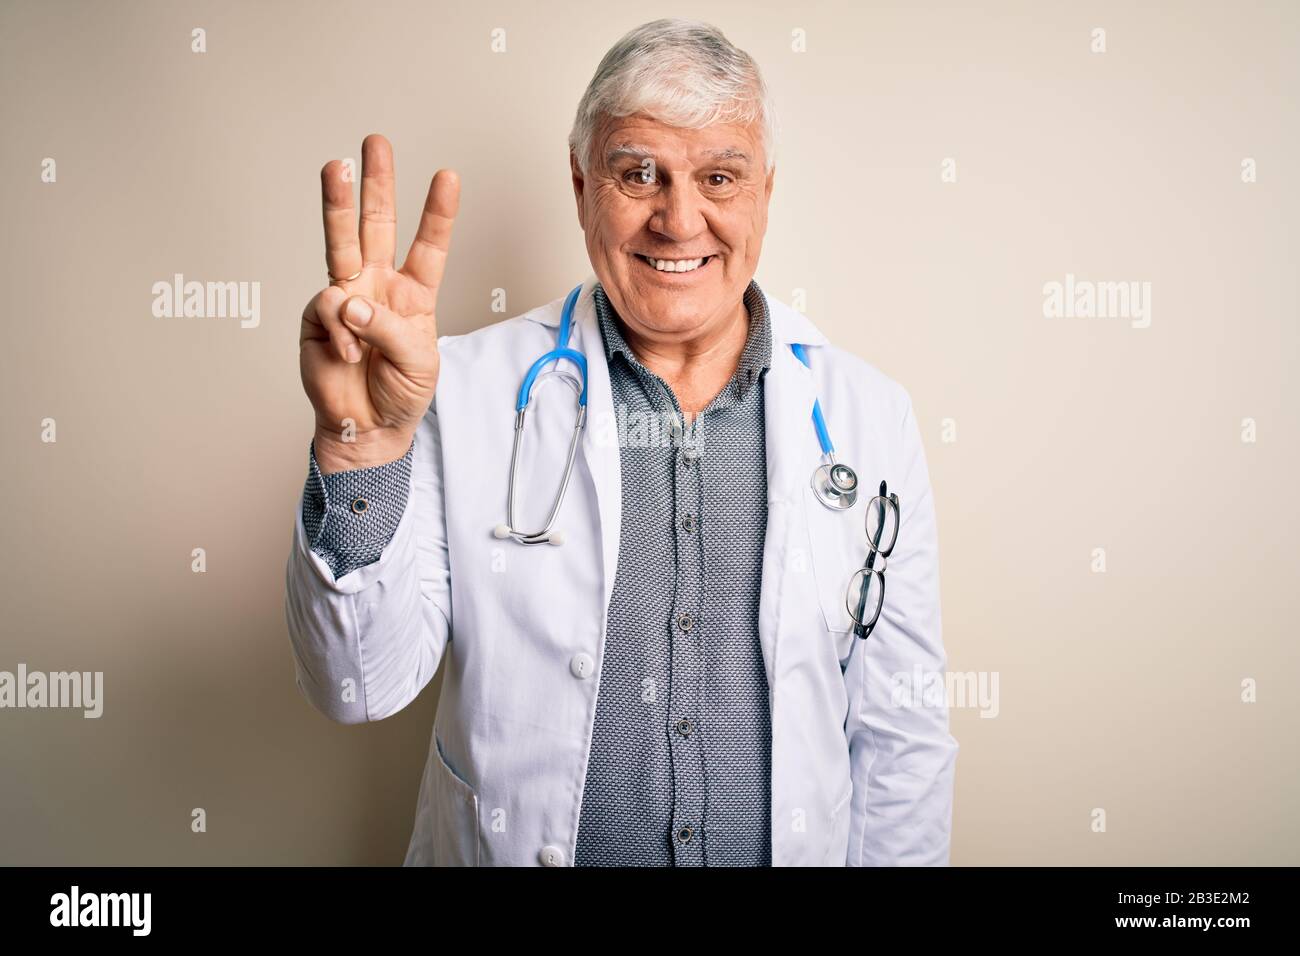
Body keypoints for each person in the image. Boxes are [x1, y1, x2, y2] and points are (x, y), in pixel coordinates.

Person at [285, 18, 957, 866]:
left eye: (719, 176)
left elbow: (903, 738)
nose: (680, 220)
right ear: (579, 186)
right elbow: (358, 685)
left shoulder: (869, 415)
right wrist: (360, 450)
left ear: (766, 194)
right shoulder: (454, 392)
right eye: (637, 173)